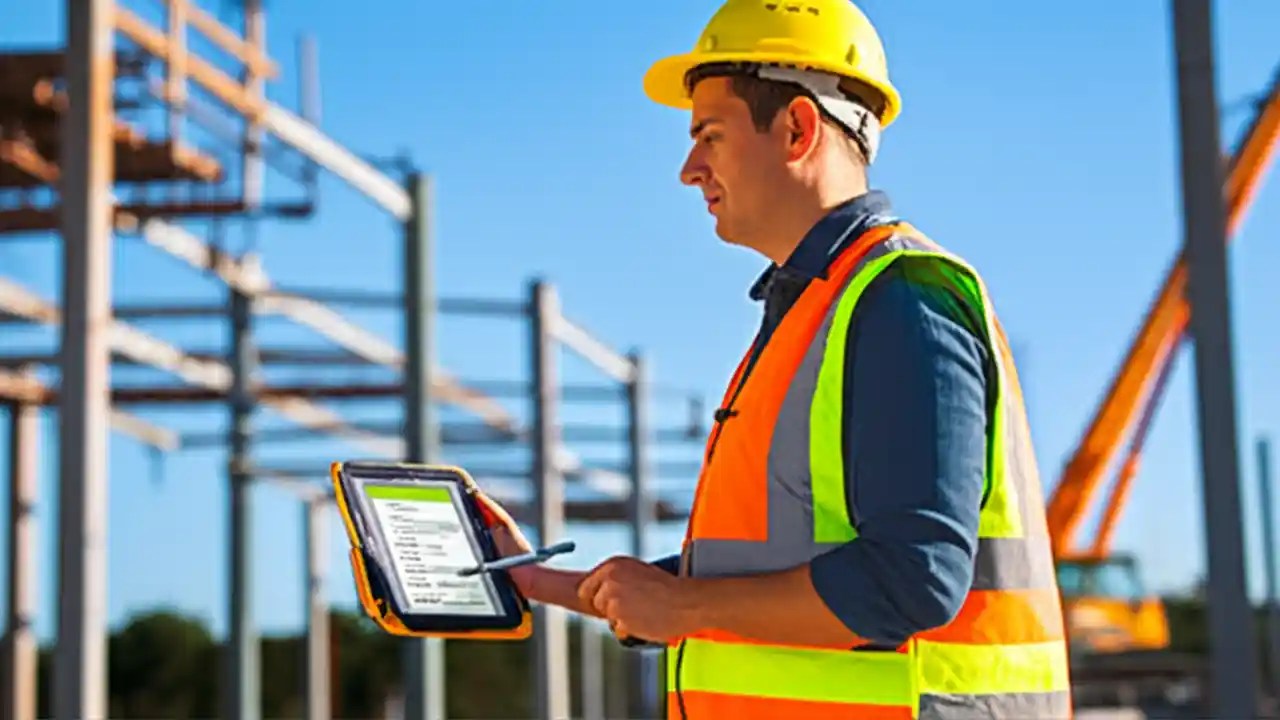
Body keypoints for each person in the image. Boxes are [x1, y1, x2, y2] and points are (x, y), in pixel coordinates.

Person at [480, 1, 1073, 718]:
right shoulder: (820, 308)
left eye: (710, 135)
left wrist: (688, 604)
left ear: (796, 129)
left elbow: (912, 579)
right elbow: (766, 576)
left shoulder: (900, 300)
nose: (688, 169)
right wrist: (545, 583)